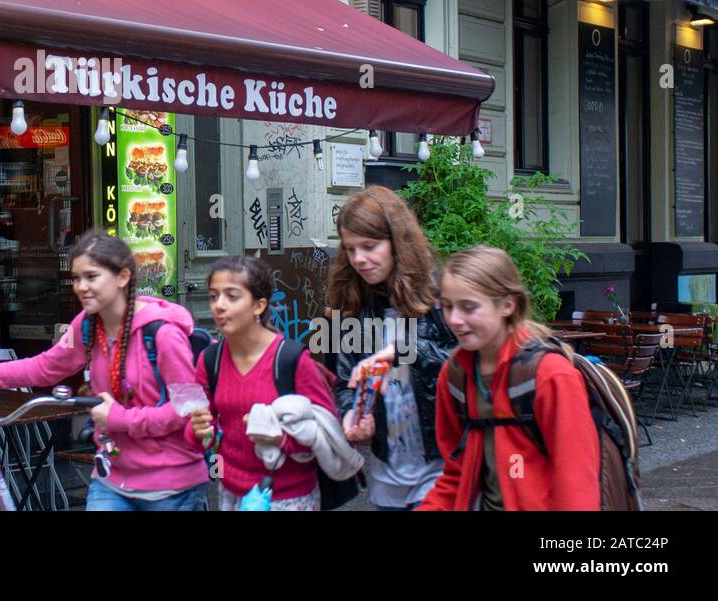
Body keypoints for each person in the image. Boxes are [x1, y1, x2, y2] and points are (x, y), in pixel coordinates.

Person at [0, 230, 207, 511]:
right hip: (112, 479)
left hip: (170, 487)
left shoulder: (163, 333)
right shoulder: (87, 325)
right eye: (76, 278)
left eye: (91, 276)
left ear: (123, 277)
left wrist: (119, 419)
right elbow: (44, 368)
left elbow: (188, 409)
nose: (81, 287)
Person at [417, 246, 600, 511]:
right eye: (447, 306)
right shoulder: (454, 375)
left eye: (469, 307)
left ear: (507, 305)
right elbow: (457, 472)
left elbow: (577, 487)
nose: (454, 319)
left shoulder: (551, 375)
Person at [328, 186, 456, 511]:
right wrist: (351, 417)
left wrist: (404, 348)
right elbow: (343, 383)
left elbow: (467, 365)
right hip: (386, 476)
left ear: (397, 243)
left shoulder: (441, 297)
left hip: (441, 469)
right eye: (350, 248)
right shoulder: (348, 308)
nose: (359, 259)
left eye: (369, 246)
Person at [187, 256, 350, 511]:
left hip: (286, 497)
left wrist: (277, 438)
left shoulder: (291, 360)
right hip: (231, 493)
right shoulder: (210, 360)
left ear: (259, 306)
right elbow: (199, 438)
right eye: (213, 296)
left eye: (232, 296)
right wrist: (199, 431)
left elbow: (328, 433)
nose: (218, 306)